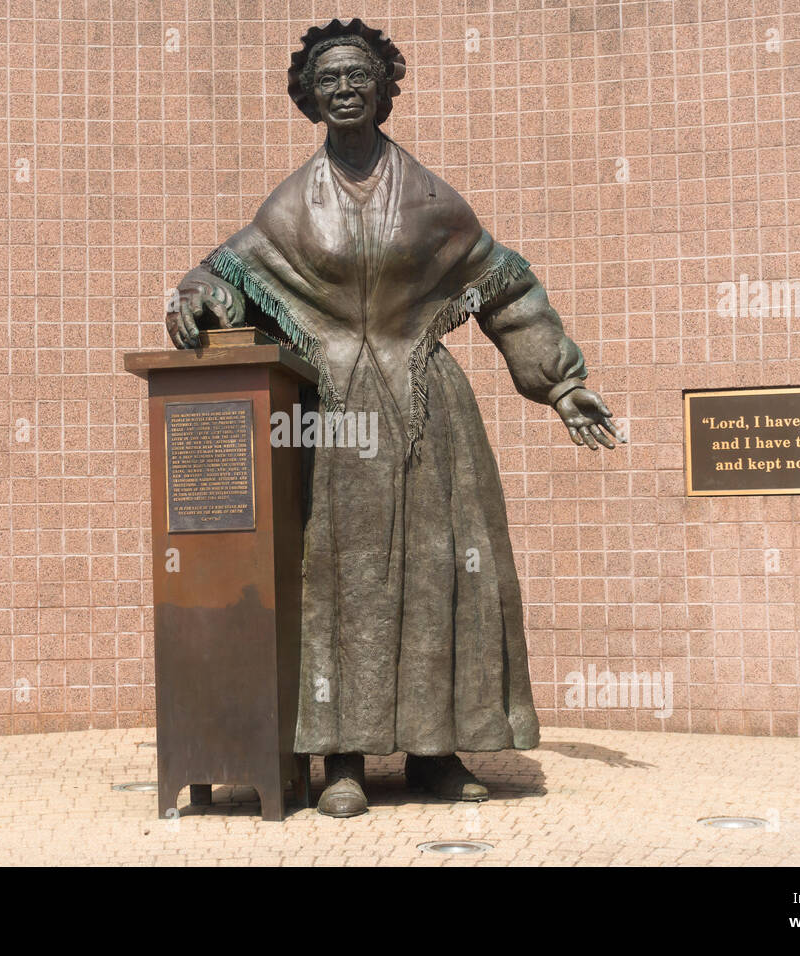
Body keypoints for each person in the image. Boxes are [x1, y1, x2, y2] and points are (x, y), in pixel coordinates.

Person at [166, 18, 623, 817]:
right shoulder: (290, 205)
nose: (344, 88)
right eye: (330, 79)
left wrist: (559, 383)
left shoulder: (430, 198)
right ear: (310, 96)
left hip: (426, 413)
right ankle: (340, 756)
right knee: (337, 576)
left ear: (384, 90)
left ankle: (435, 752)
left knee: (440, 567)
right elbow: (226, 270)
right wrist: (197, 294)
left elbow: (505, 286)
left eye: (359, 76)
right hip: (333, 418)